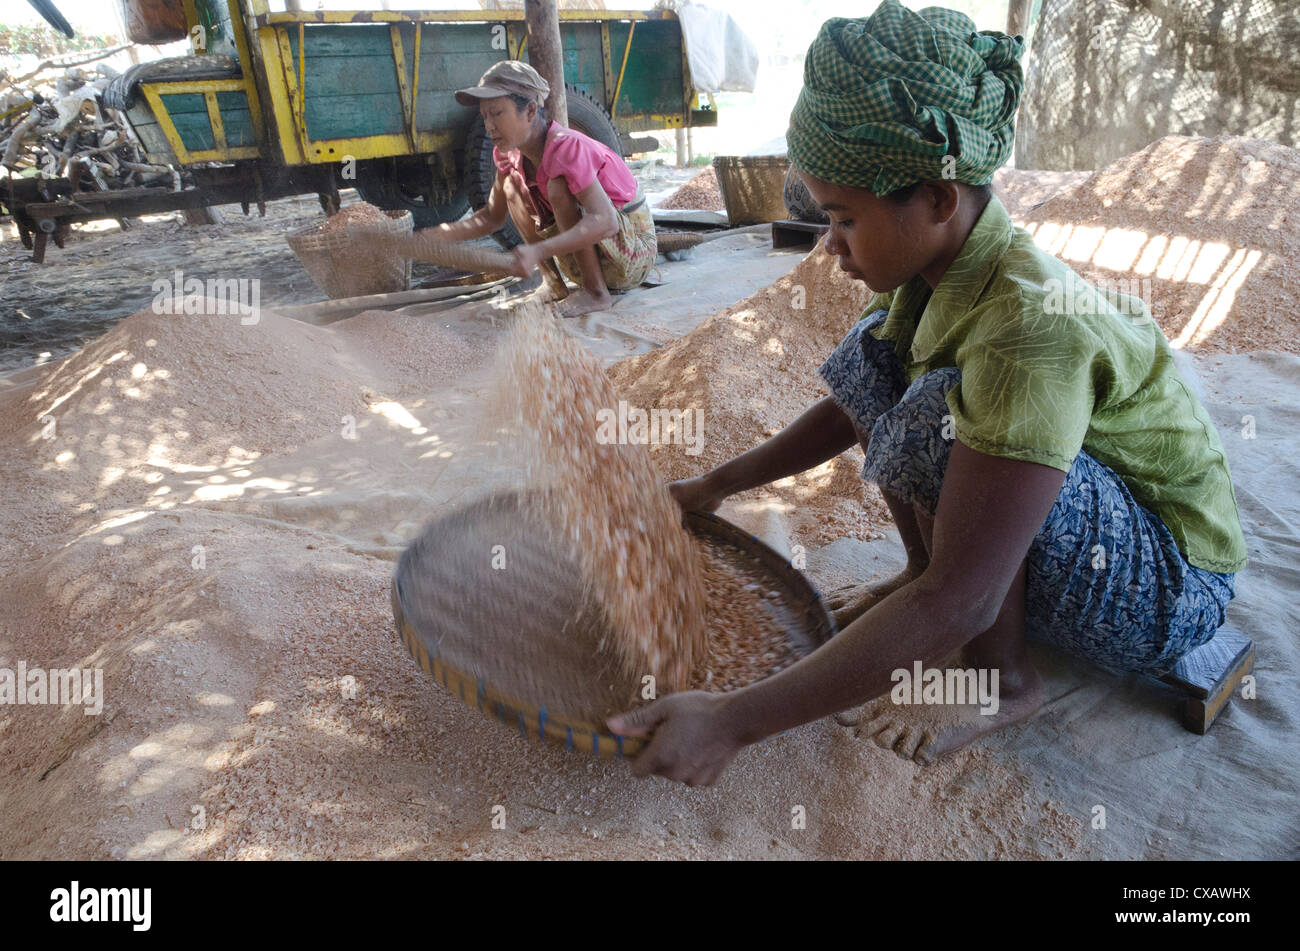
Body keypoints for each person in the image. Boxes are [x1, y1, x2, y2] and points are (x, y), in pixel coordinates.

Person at [607, 0, 1247, 787]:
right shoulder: (936, 267)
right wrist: (712, 486)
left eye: (842, 220)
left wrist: (733, 720)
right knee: (873, 363)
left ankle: (1004, 680)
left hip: (1169, 583)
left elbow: (967, 595)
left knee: (941, 422)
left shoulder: (1028, 325)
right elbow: (855, 403)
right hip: (1065, 521)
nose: (829, 246)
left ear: (940, 199)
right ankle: (922, 572)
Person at [402, 60, 655, 317]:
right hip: (600, 254)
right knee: (512, 184)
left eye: (497, 113)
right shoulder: (507, 156)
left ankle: (596, 293)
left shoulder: (566, 147)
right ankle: (553, 284)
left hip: (633, 251)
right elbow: (491, 218)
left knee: (557, 186)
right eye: (485, 116)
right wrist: (437, 235)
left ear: (531, 111)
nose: (489, 126)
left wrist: (538, 250)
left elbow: (606, 222)